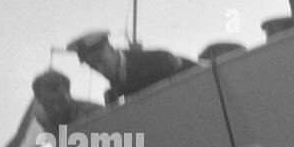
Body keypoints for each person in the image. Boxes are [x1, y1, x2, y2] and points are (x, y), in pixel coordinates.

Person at [67, 31, 198, 105]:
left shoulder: (157, 62)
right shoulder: (115, 92)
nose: (100, 69)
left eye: (101, 60)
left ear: (111, 48)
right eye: (93, 66)